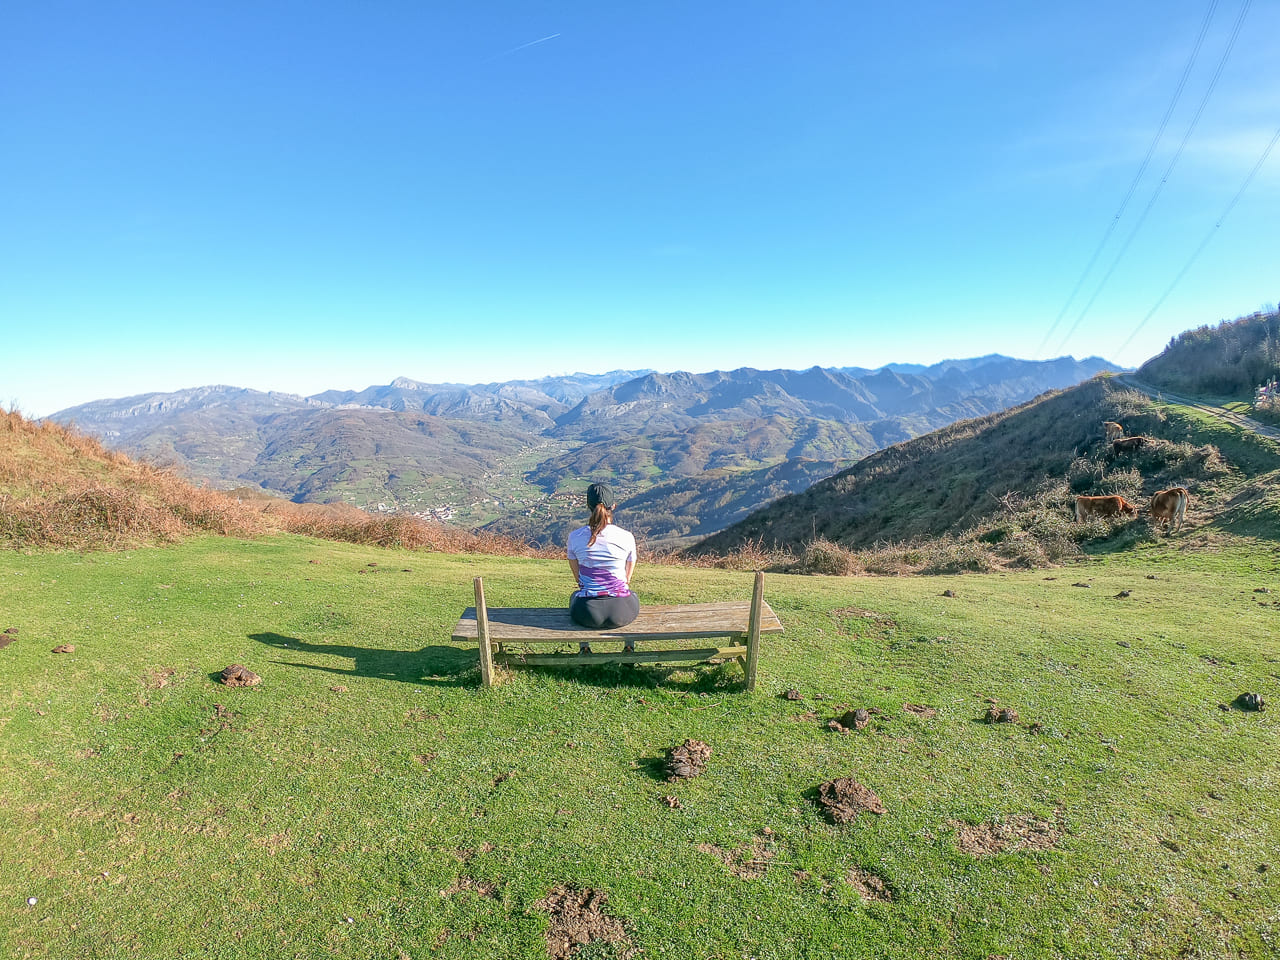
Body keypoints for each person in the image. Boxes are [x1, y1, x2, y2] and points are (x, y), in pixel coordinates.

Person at [567, 482, 639, 652]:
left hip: (586, 612)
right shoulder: (626, 537)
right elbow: (627, 579)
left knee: (575, 595)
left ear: (588, 506)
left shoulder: (574, 537)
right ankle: (629, 649)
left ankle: (584, 649)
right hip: (623, 611)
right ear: (613, 506)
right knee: (630, 593)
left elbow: (578, 579)